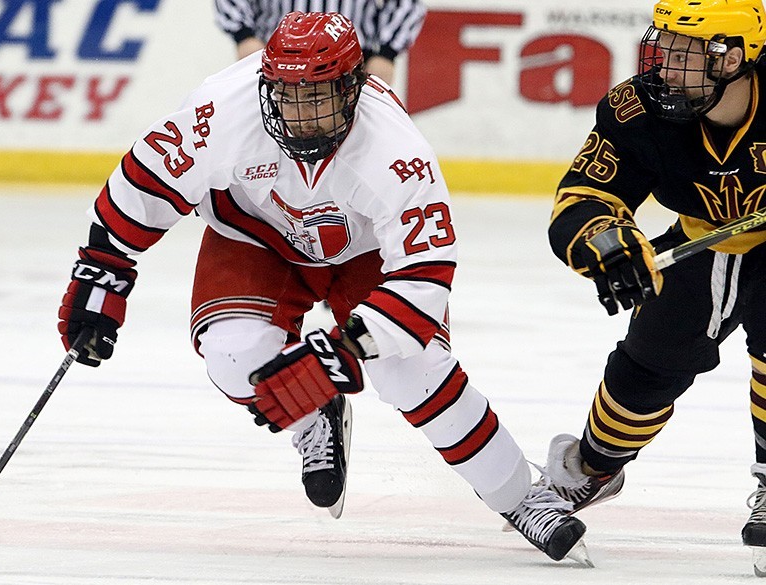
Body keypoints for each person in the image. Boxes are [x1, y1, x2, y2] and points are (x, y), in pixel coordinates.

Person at [58, 11, 588, 563]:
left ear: (353, 87)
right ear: (266, 85)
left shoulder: (395, 150)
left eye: (318, 97)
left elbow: (425, 274)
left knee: (413, 372)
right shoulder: (221, 110)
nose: (301, 114)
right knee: (232, 353)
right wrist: (102, 271)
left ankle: (523, 497)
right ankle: (318, 418)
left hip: (367, 255)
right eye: (287, 94)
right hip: (257, 234)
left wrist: (341, 355)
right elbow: (145, 182)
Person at [544, 0, 766, 565]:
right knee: (645, 370)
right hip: (699, 238)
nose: (663, 63)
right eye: (662, 46)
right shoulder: (637, 110)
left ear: (734, 57)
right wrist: (606, 241)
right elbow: (585, 196)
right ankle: (593, 468)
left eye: (683, 53)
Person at [212, 0, 426, 85]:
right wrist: (244, 35)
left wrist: (386, 53)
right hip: (278, 62)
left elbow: (407, 5)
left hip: (349, 65)